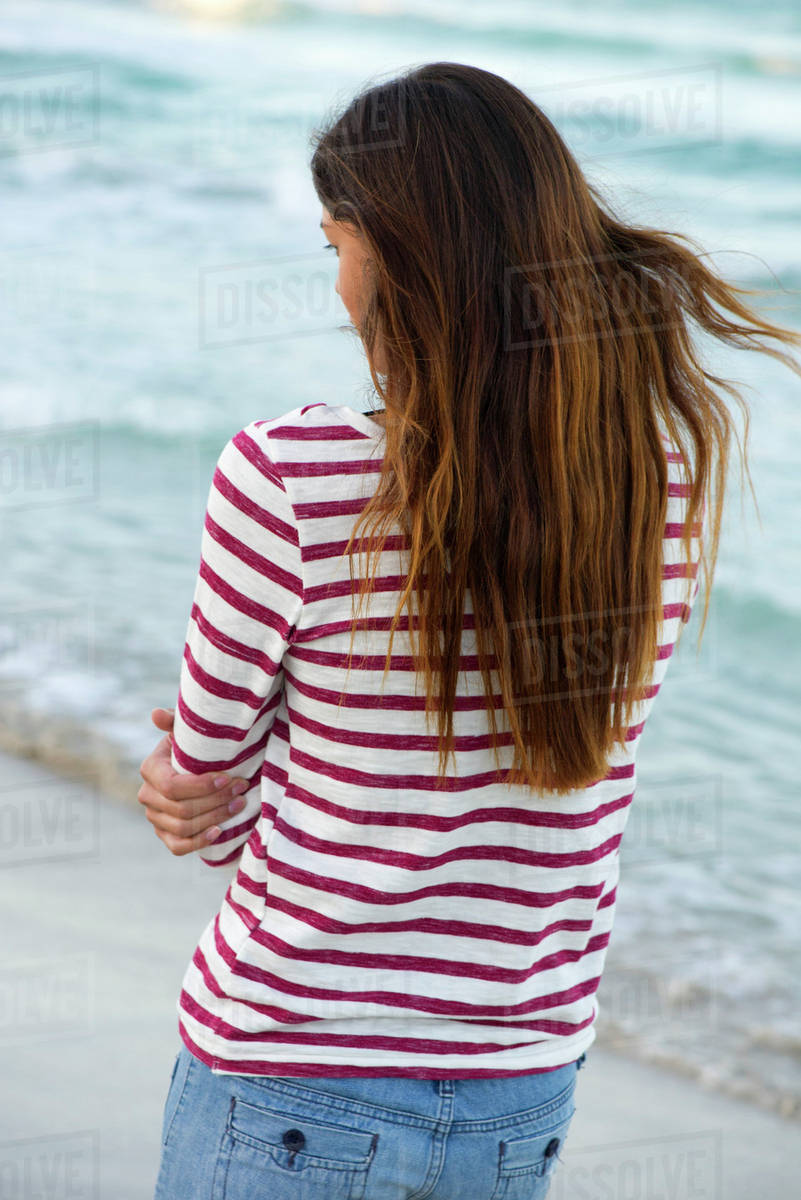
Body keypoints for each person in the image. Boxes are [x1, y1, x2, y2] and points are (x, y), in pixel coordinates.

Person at [138, 61, 801, 1200]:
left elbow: (210, 795)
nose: (338, 285)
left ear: (400, 258)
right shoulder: (655, 482)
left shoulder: (287, 476)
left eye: (337, 246)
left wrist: (186, 786)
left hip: (295, 1069)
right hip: (521, 1086)